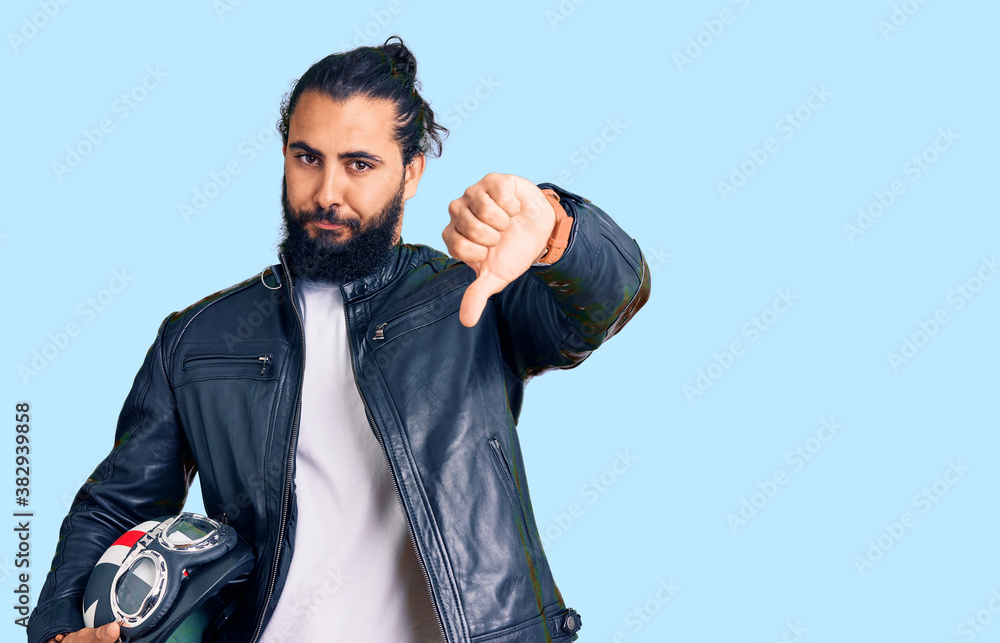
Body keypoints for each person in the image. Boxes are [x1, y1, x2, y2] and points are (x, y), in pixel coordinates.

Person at [27, 35, 651, 643]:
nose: (327, 193)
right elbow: (115, 506)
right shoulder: (197, 339)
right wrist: (60, 631)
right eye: (307, 158)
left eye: (359, 164)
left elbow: (610, 299)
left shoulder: (472, 297)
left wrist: (553, 232)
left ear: (411, 173)